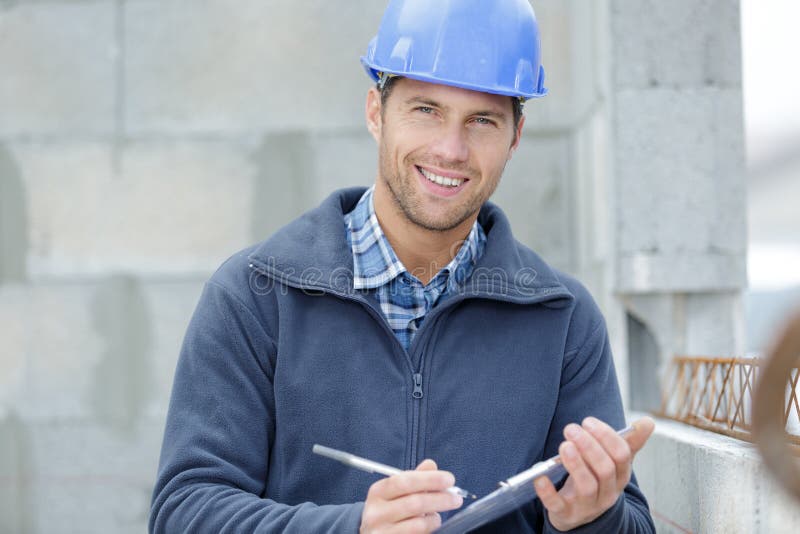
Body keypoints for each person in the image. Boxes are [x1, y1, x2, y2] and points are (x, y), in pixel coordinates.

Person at [149, 0, 657, 532]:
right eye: (426, 110)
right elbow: (185, 513)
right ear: (376, 112)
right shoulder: (255, 296)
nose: (451, 149)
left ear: (515, 138)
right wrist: (351, 528)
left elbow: (633, 526)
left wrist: (592, 518)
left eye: (482, 120)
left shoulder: (564, 321)